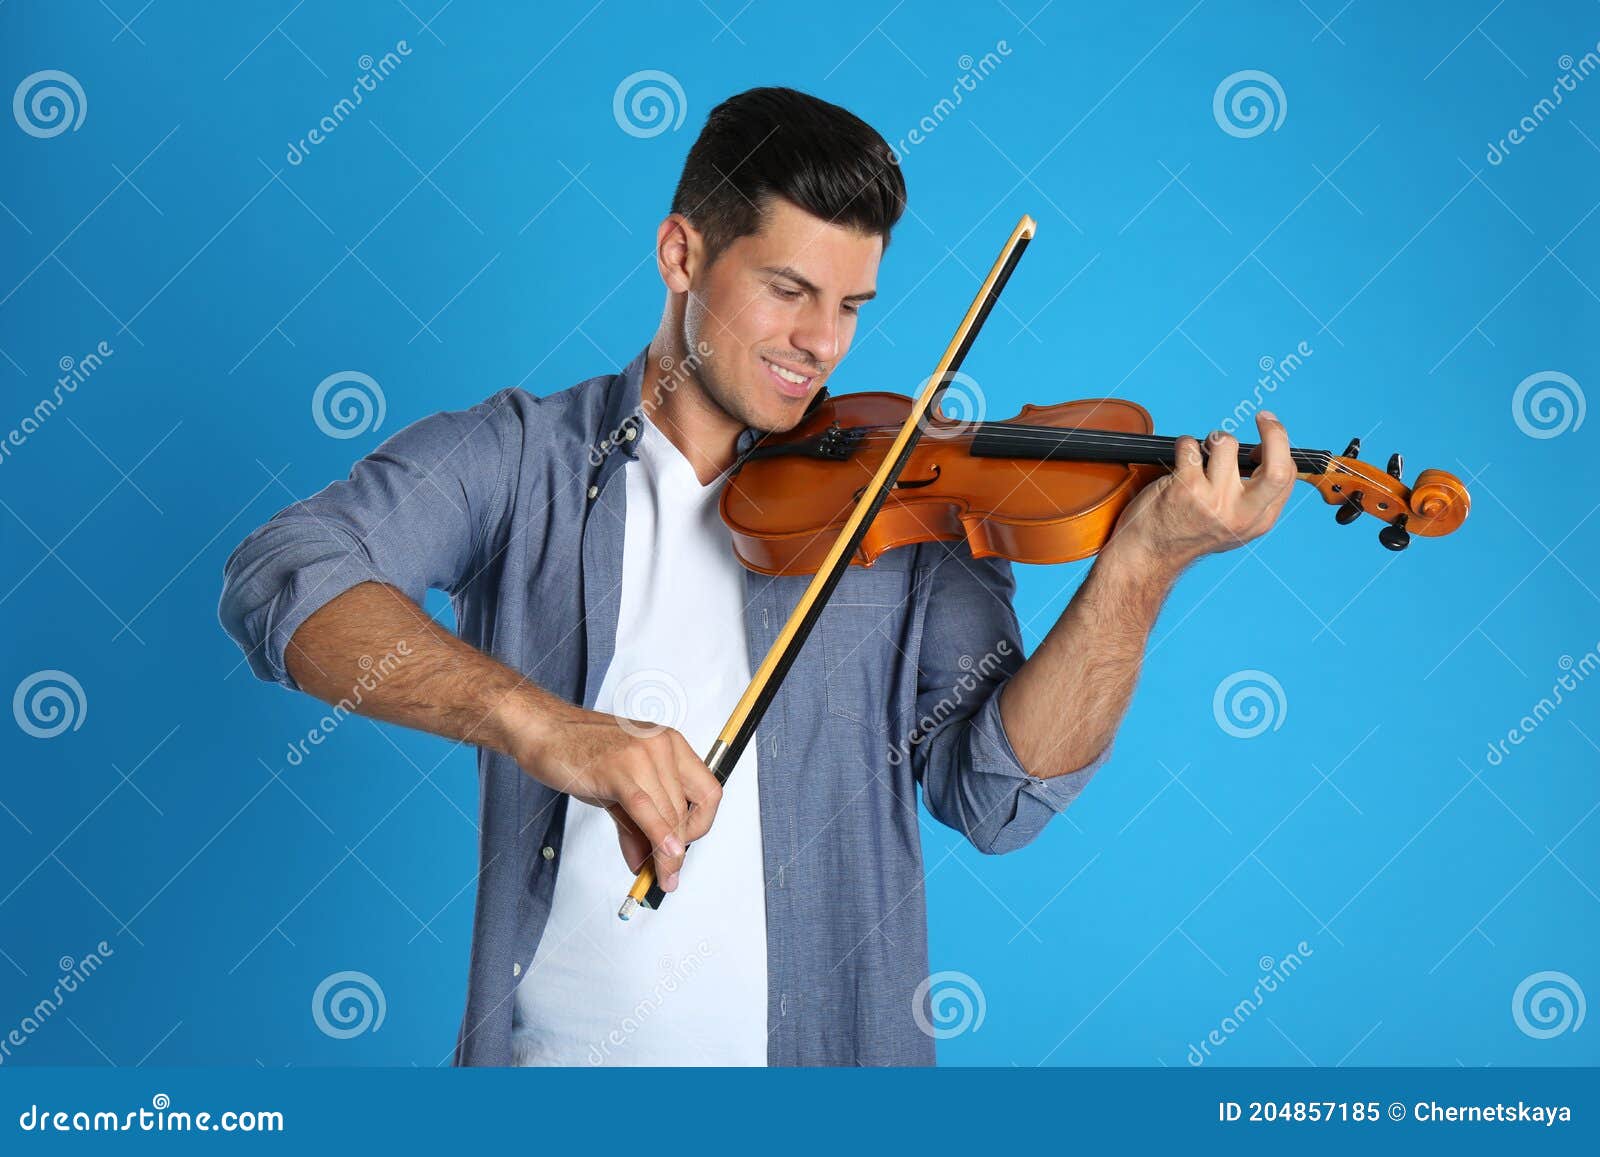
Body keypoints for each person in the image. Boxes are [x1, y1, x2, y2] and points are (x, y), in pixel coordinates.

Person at [217, 86, 1296, 1067]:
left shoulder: (895, 498)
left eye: (853, 305)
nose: (822, 343)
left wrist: (1143, 564)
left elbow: (998, 795)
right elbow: (285, 577)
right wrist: (544, 725)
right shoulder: (522, 461)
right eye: (788, 289)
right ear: (681, 254)